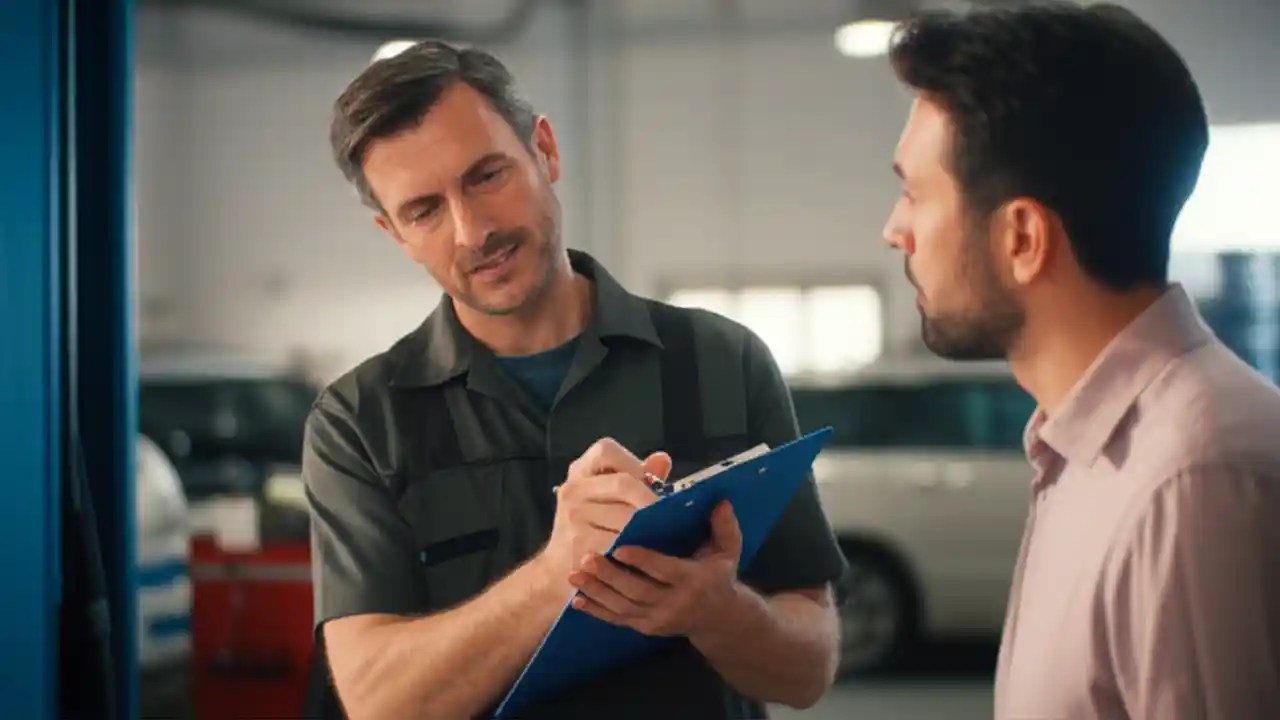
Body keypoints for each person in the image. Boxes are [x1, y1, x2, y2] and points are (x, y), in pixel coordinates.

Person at [302, 40, 846, 719]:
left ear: (546, 151)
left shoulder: (720, 361)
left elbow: (808, 670)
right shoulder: (358, 422)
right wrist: (555, 573)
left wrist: (720, 612)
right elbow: (378, 703)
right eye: (425, 211)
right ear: (395, 233)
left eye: (486, 176)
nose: (472, 232)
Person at [881, 3, 1280, 718]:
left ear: (1024, 237)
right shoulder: (1085, 445)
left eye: (914, 192)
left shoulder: (1190, 479)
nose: (895, 230)